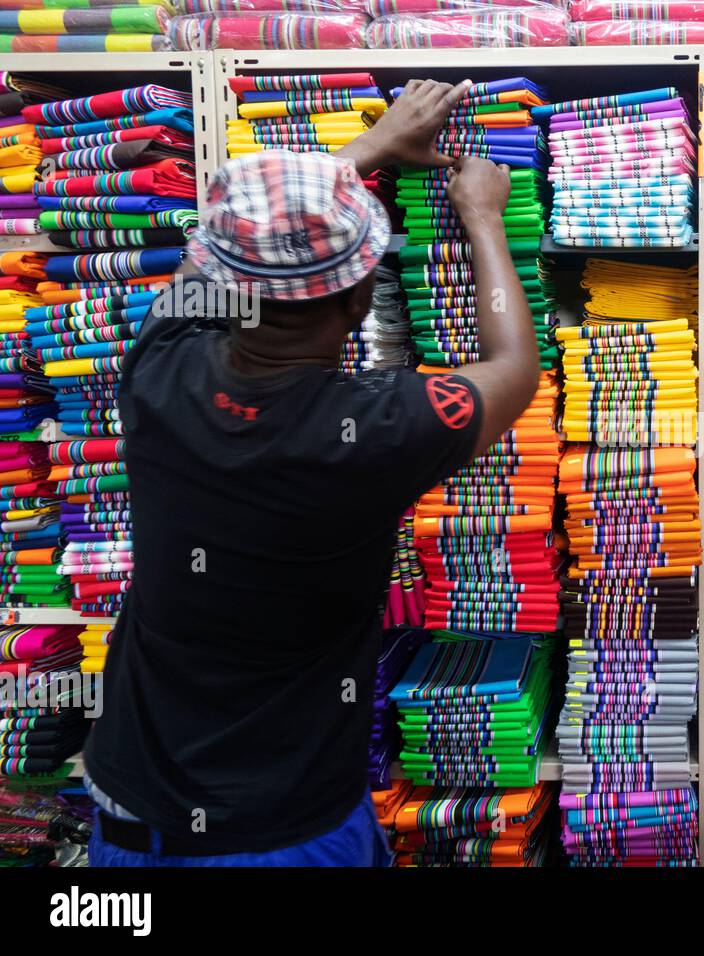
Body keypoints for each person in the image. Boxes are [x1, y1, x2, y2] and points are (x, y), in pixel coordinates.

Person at [81, 80, 542, 866]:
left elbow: (243, 253)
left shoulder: (158, 362)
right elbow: (514, 368)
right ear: (365, 297)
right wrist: (485, 218)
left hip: (127, 818)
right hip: (287, 831)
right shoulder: (377, 431)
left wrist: (363, 151)